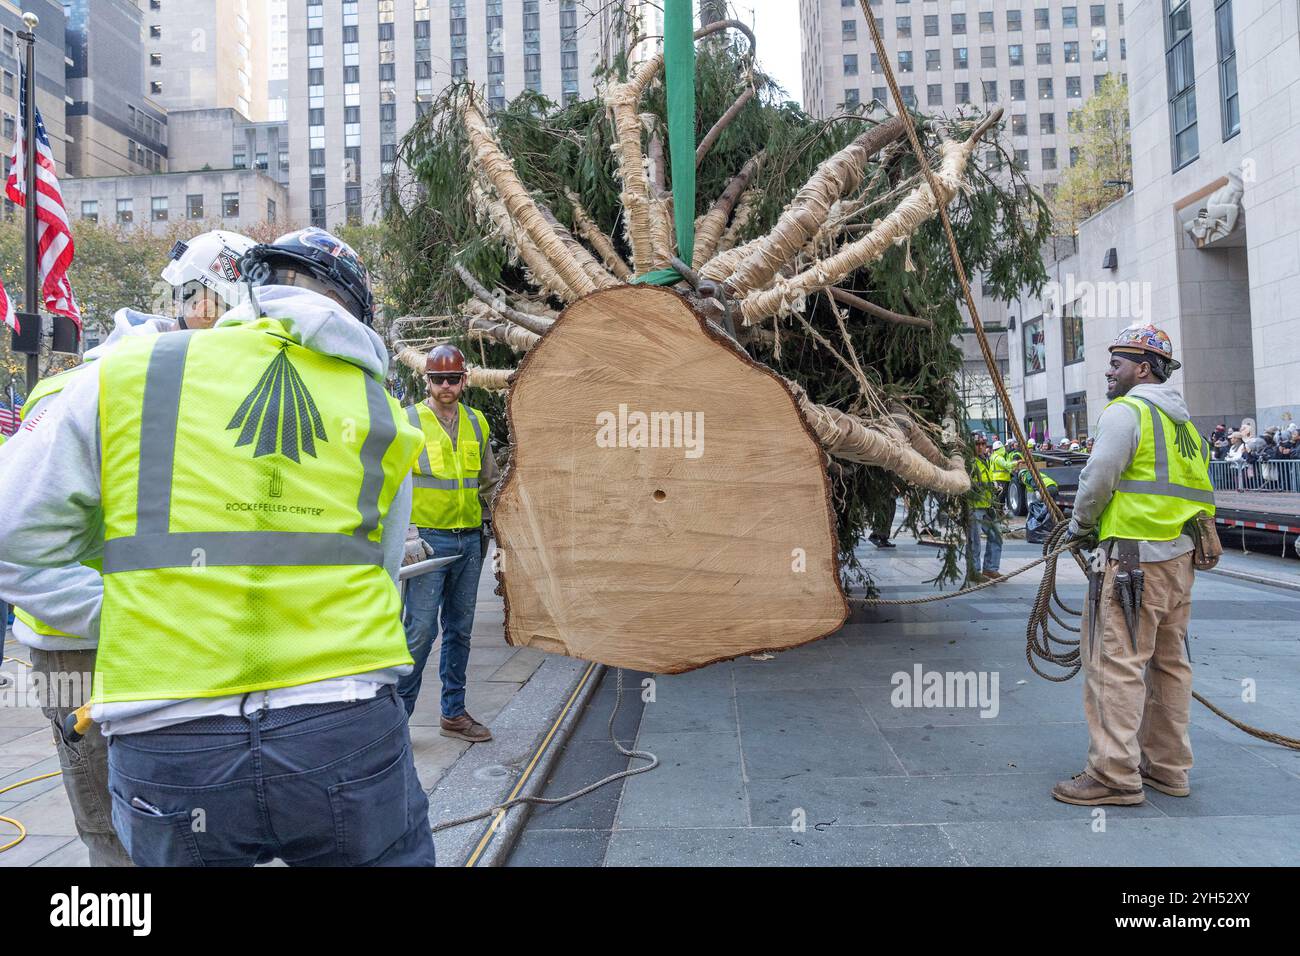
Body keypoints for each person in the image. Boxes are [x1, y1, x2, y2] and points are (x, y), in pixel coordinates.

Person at [0, 227, 435, 866]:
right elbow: (377, 568)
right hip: (340, 727)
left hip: (171, 738)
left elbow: (13, 535)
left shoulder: (122, 376)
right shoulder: (379, 405)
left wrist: (127, 615)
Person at [0, 230, 256, 867]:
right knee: (116, 837)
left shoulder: (205, 392)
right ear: (200, 303)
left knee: (182, 829)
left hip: (168, 641)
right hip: (81, 652)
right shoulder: (88, 390)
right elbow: (11, 544)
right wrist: (129, 616)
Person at [1053, 325, 1214, 807]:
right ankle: (1168, 768)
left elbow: (1098, 477)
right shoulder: (1185, 427)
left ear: (1143, 368)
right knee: (1169, 665)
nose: (1108, 369)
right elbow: (1199, 493)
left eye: (1117, 362)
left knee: (1115, 665)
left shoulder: (1127, 412)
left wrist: (1081, 524)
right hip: (1178, 562)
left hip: (1131, 562)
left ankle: (1113, 774)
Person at [397, 344, 501, 741]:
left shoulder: (477, 423)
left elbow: (490, 482)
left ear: (464, 381)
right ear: (426, 380)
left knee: (460, 630)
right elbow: (390, 483)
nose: (445, 386)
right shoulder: (408, 422)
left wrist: (500, 528)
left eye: (452, 379)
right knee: (420, 631)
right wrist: (407, 533)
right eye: (437, 379)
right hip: (427, 543)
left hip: (469, 540)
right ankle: (398, 723)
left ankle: (453, 714)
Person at [966, 434, 1003, 583]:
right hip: (974, 506)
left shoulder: (986, 459)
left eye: (983, 443)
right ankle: (974, 571)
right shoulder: (969, 462)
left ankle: (990, 569)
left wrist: (993, 489)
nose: (980, 446)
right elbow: (968, 483)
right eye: (977, 444)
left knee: (996, 535)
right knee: (974, 541)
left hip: (987, 505)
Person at [988, 439, 1011, 509]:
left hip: (996, 479)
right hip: (1001, 479)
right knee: (1001, 497)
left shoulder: (993, 457)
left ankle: (998, 511)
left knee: (998, 497)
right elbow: (1006, 465)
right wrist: (1016, 463)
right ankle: (1000, 512)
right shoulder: (999, 458)